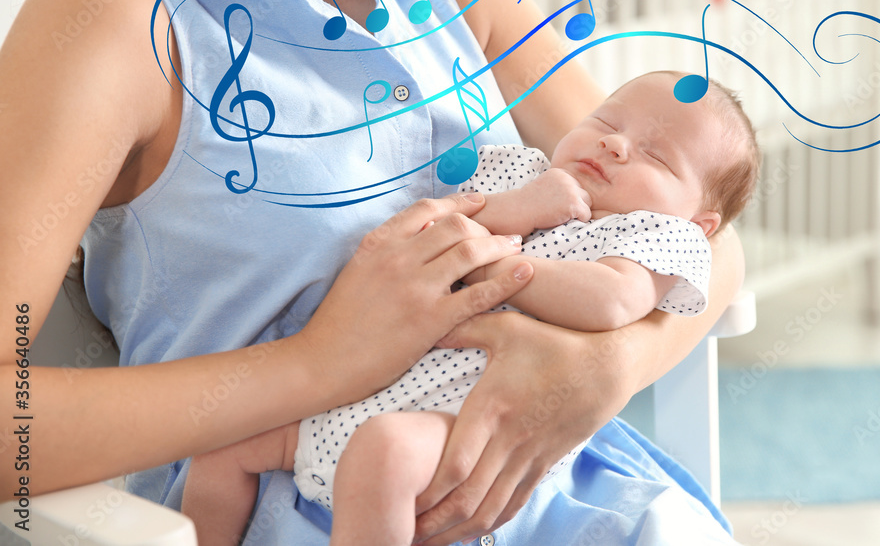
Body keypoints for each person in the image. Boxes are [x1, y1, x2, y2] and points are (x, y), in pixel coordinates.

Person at [0, 0, 747, 544]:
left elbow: (703, 232)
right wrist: (314, 366)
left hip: (550, 491)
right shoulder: (118, 16)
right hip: (291, 500)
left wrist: (605, 367)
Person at [181, 70, 760, 546]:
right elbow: (430, 234)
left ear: (700, 221)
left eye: (656, 156)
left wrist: (491, 269)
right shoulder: (520, 173)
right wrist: (519, 207)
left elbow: (610, 301)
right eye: (606, 122)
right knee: (223, 442)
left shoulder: (654, 236)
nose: (615, 144)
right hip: (357, 395)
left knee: (384, 453)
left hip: (465, 425)